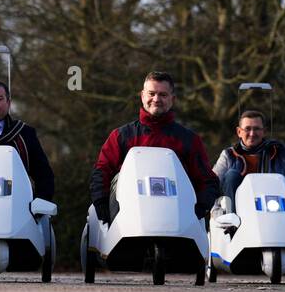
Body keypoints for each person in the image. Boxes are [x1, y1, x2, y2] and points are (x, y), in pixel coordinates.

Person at [89, 71, 219, 224]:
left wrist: (200, 208)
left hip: (178, 220)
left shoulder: (189, 140)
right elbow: (102, 171)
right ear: (142, 96)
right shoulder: (121, 136)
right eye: (151, 93)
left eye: (163, 95)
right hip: (127, 221)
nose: (156, 99)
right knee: (118, 178)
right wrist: (101, 202)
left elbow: (206, 179)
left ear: (173, 99)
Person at [211, 110, 285, 214]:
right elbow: (211, 184)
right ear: (239, 132)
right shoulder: (228, 155)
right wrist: (216, 213)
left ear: (264, 131)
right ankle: (231, 221)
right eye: (247, 129)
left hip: (276, 213)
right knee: (231, 175)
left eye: (256, 129)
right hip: (238, 214)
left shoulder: (282, 153)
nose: (252, 134)